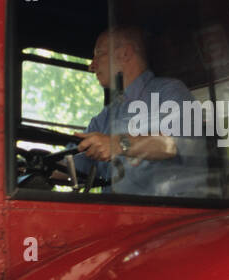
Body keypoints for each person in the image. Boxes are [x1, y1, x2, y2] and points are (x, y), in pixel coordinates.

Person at [69, 27, 211, 196]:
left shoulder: (169, 92)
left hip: (169, 214)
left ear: (125, 53)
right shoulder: (105, 117)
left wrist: (118, 144)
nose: (91, 66)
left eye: (99, 54)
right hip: (115, 217)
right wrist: (37, 166)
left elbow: (174, 143)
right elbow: (74, 163)